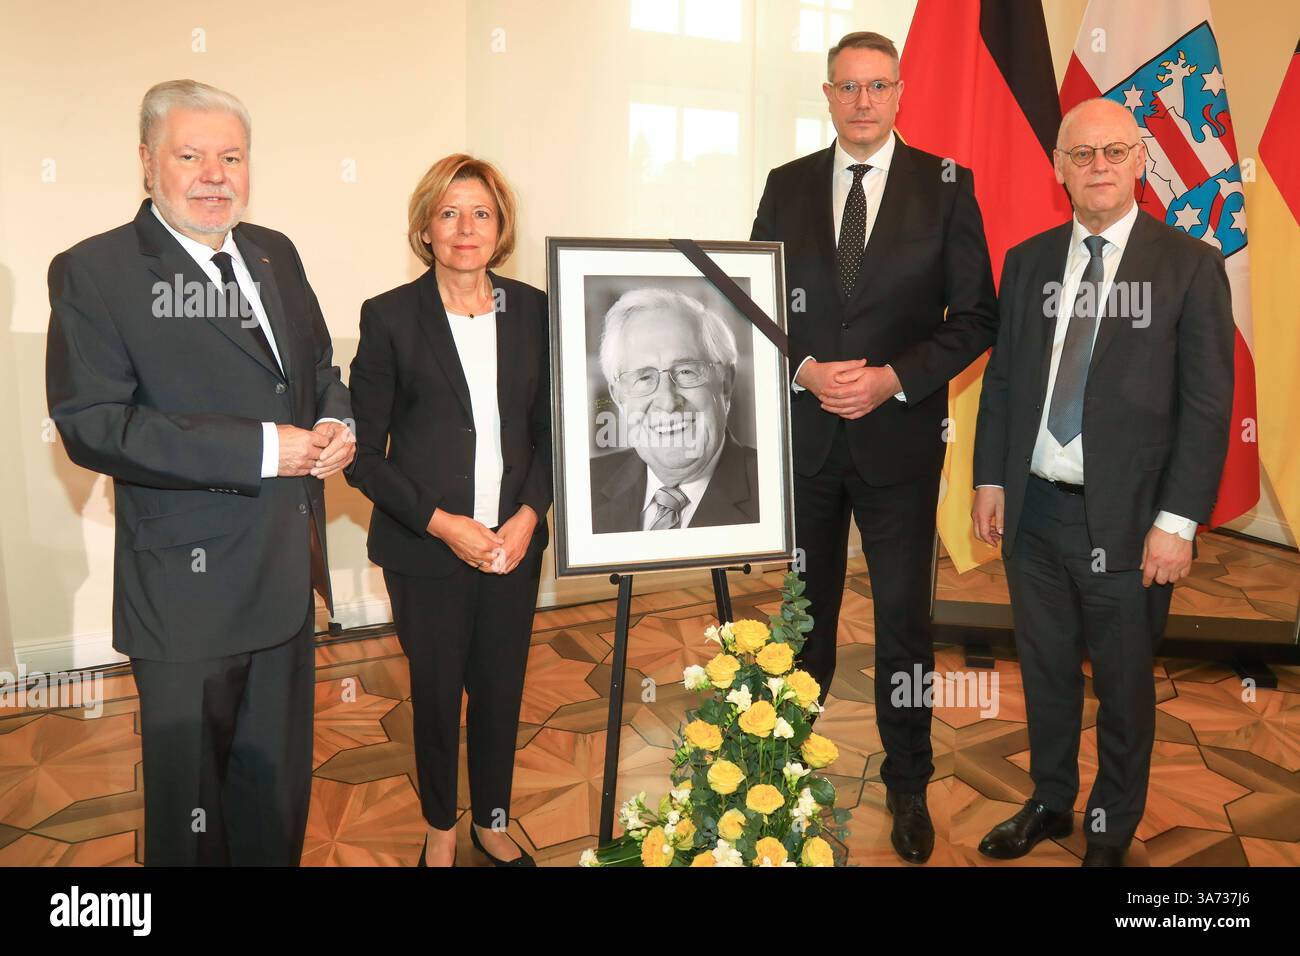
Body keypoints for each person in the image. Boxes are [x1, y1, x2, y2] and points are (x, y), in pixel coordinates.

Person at [45, 79, 354, 865]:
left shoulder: (275, 252)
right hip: (184, 603)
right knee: (191, 821)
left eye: (231, 156)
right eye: (191, 156)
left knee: (274, 801)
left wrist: (336, 422)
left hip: (285, 585)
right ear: (149, 164)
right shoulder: (96, 272)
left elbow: (317, 367)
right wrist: (260, 448)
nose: (215, 175)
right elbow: (93, 425)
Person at [750, 32, 998, 863]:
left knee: (905, 629)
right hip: (809, 448)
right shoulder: (785, 187)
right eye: (847, 88)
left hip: (898, 450)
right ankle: (778, 775)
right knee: (799, 627)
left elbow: (975, 320)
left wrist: (891, 377)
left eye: (877, 87)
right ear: (827, 95)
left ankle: (909, 781)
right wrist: (807, 370)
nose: (862, 101)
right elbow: (756, 311)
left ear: (900, 93)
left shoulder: (946, 187)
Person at [971, 98, 1234, 867]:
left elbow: (1208, 406)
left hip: (1130, 523)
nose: (1098, 167)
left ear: (1141, 163)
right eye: (1081, 154)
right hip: (1035, 513)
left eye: (1115, 152)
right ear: (1060, 167)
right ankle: (1051, 802)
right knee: (1046, 672)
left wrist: (1178, 523)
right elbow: (1006, 383)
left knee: (1122, 691)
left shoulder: (1189, 265)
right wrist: (991, 479)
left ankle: (1107, 831)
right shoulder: (1027, 261)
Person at [346, 154, 551, 867]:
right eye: (450, 213)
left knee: (501, 689)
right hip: (425, 548)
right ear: (426, 228)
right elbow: (364, 455)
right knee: (436, 697)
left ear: (502, 228)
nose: (466, 228)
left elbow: (553, 432)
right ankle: (440, 823)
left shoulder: (534, 310)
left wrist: (527, 515)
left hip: (514, 546)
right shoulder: (391, 317)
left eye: (482, 214)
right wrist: (444, 525)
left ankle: (491, 822)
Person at [590, 288, 759, 532]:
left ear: (725, 383)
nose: (668, 402)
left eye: (686, 371)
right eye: (644, 377)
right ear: (618, 397)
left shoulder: (775, 487)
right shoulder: (582, 488)